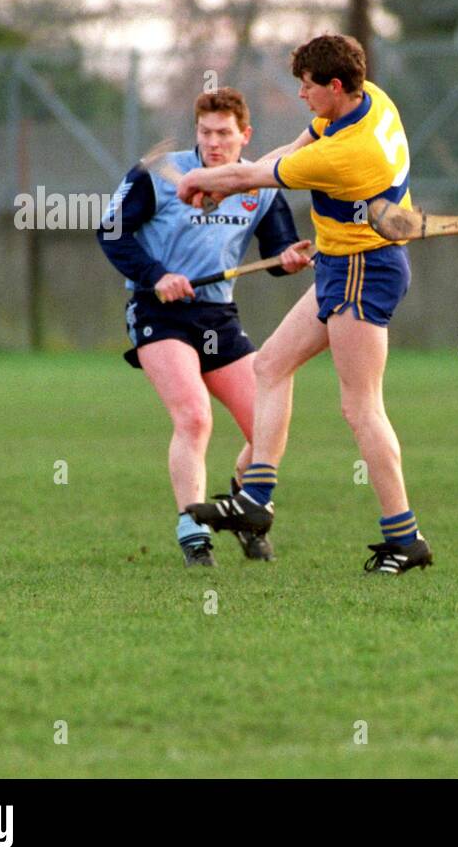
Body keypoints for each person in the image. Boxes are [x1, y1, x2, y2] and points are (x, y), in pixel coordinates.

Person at [175, 34, 432, 576]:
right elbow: (284, 155)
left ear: (334, 86)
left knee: (360, 406)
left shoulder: (346, 154)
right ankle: (256, 499)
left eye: (307, 86)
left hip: (366, 269)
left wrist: (205, 178)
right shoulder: (371, 101)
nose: (300, 95)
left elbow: (256, 174)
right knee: (270, 365)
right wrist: (226, 187)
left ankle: (405, 540)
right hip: (343, 260)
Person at [98, 87, 312, 567]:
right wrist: (158, 276)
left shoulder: (260, 185)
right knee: (194, 417)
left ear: (245, 136)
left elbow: (276, 256)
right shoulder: (158, 175)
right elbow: (110, 231)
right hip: (159, 312)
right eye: (205, 132)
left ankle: (240, 504)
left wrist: (291, 258)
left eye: (224, 134)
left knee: (266, 429)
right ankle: (193, 532)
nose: (213, 143)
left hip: (218, 316)